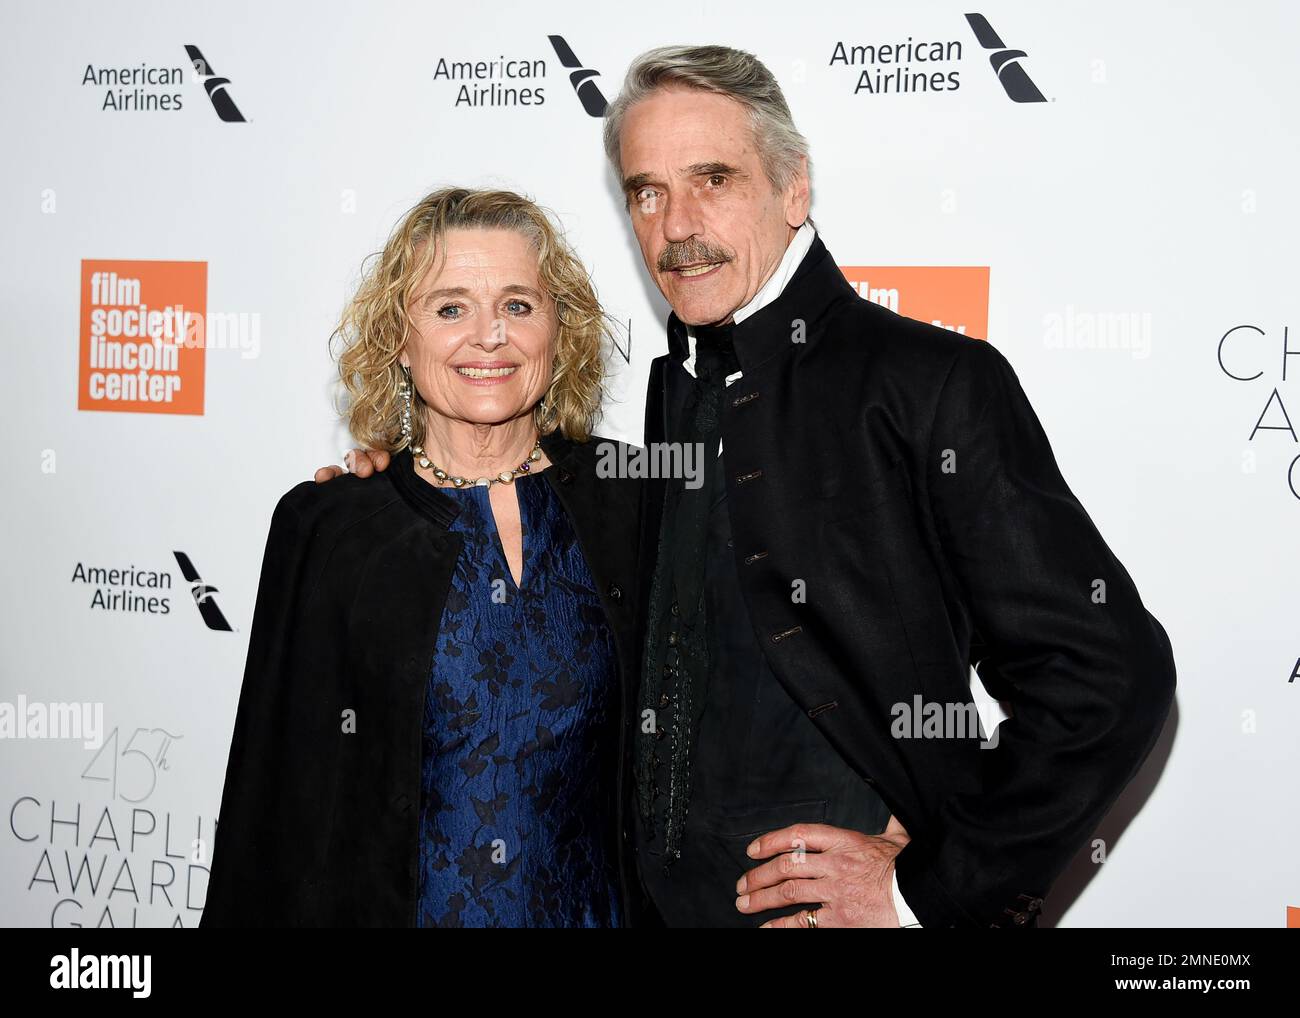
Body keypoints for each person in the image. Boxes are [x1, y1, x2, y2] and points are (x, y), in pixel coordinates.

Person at [325, 46, 1177, 929]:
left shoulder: (930, 383)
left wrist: (920, 891)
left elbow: (1110, 674)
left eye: (714, 179)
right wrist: (389, 492)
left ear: (794, 188)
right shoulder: (672, 390)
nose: (677, 224)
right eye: (647, 192)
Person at [201, 187, 646, 927]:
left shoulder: (635, 503)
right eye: (449, 308)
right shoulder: (332, 528)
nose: (488, 336)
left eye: (517, 305)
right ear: (399, 341)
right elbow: (276, 805)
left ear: (559, 330)